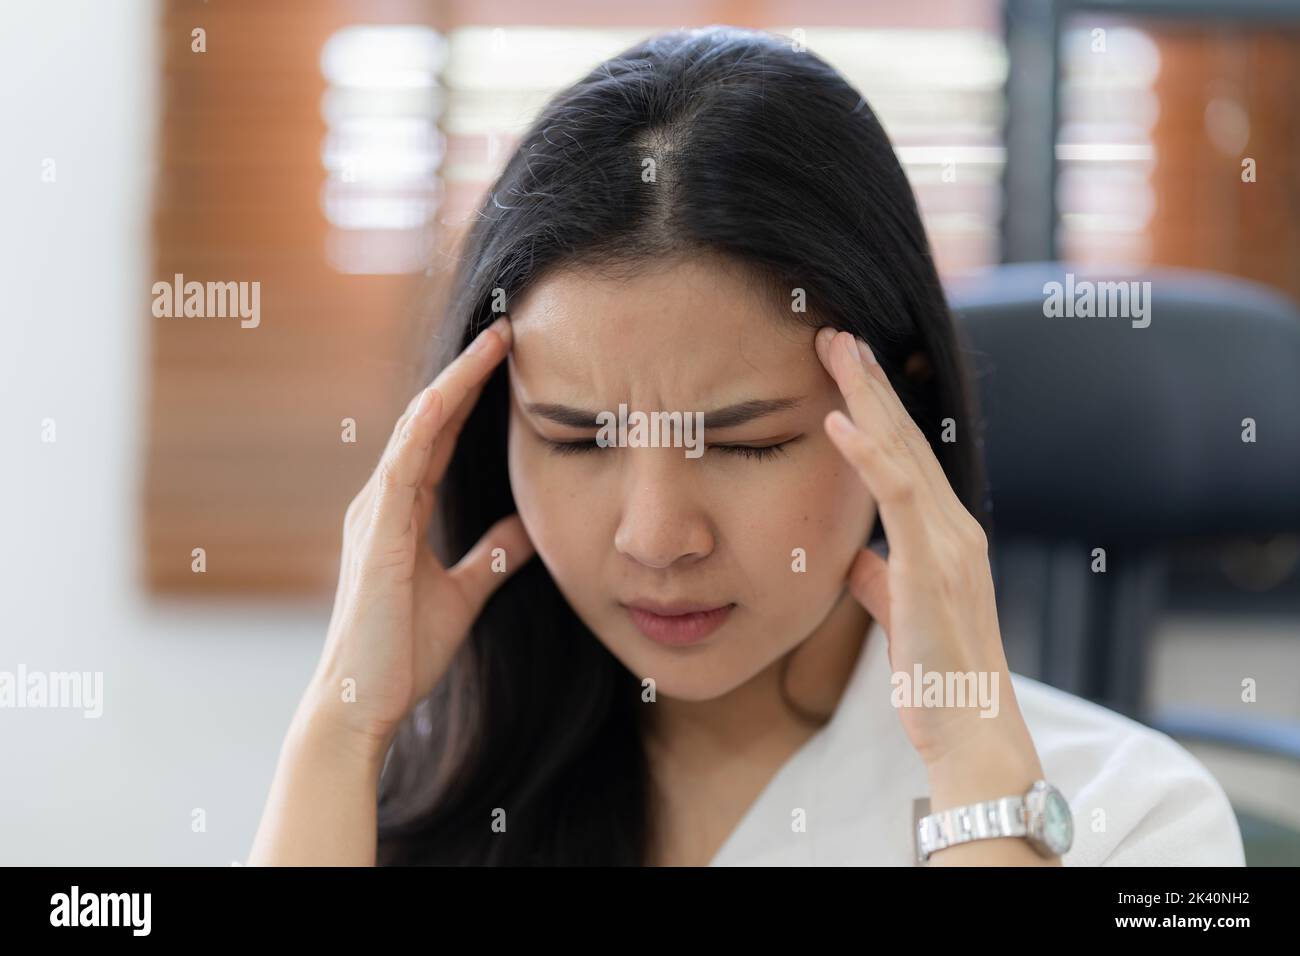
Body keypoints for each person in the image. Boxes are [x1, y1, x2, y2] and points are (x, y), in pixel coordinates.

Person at [248, 26, 1245, 867]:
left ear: (900, 419)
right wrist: (339, 731)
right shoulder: (415, 794)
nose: (655, 535)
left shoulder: (1138, 815)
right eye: (577, 436)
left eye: (747, 443)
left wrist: (979, 776)